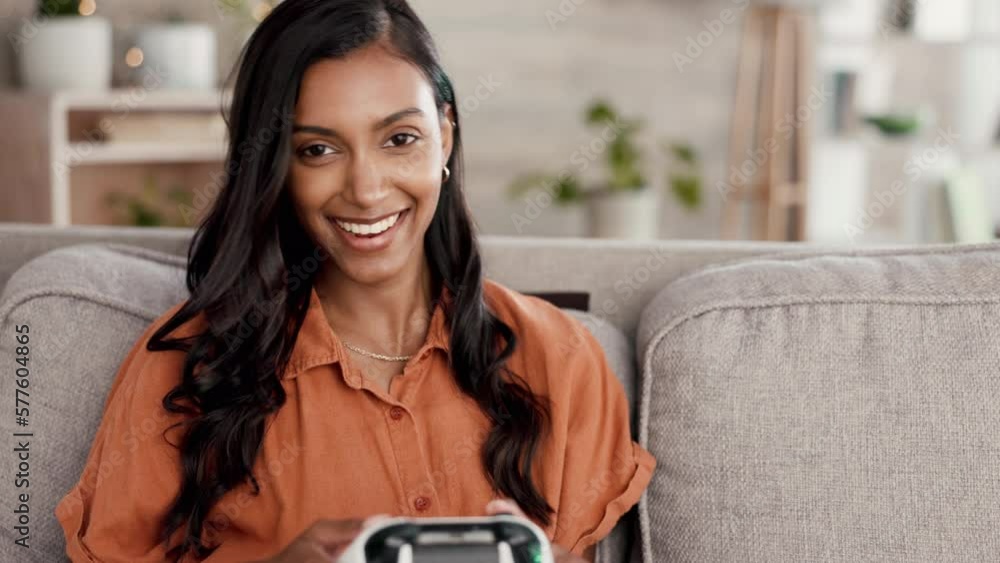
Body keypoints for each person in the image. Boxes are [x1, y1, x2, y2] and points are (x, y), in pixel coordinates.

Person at [54, 1, 656, 561]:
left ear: (444, 135)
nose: (366, 190)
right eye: (318, 150)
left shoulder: (561, 361)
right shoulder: (183, 369)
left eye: (399, 139)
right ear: (275, 167)